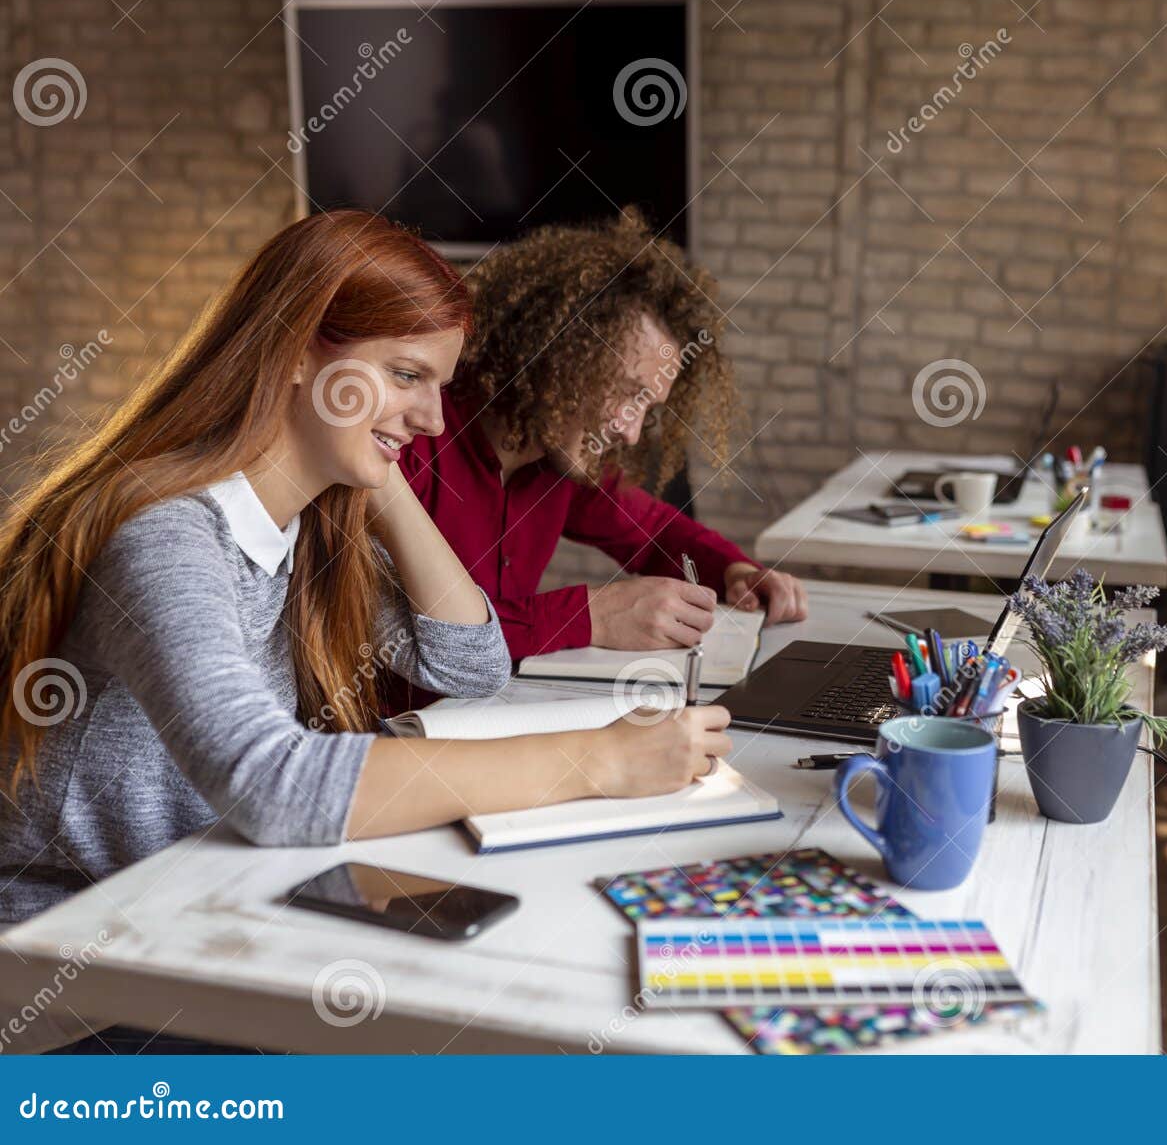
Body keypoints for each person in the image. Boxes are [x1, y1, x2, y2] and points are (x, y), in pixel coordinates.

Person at [0, 211, 730, 1051]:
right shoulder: (168, 537)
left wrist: (375, 476)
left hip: (201, 920)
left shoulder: (309, 526)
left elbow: (472, 663)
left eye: (435, 385)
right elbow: (273, 782)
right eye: (407, 375)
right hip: (81, 995)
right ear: (299, 348)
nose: (431, 417)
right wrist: (599, 760)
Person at [398, 208, 807, 659]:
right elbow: (410, 643)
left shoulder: (561, 456)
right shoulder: (409, 440)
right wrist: (594, 614)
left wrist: (734, 569)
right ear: (560, 355)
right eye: (627, 393)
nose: (632, 433)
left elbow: (653, 531)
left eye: (647, 407)